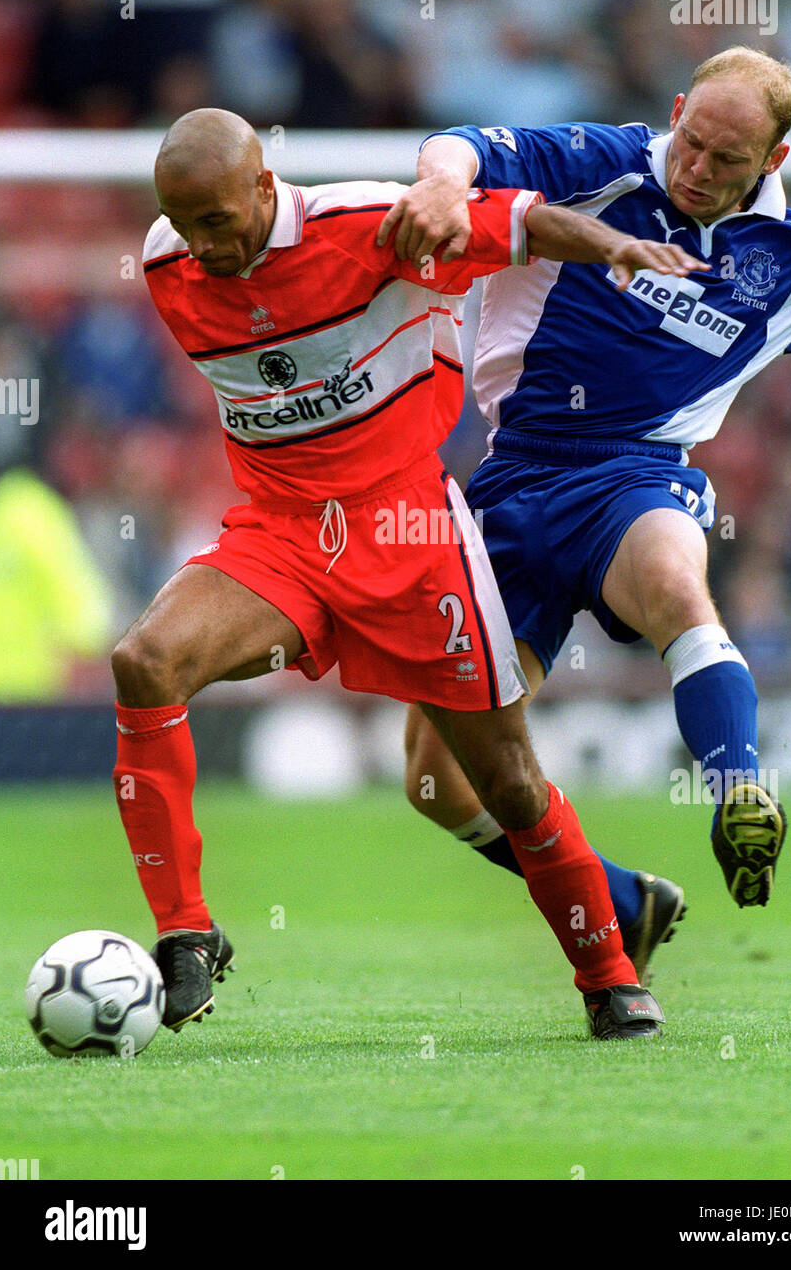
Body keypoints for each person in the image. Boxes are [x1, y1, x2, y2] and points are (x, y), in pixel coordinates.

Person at [114, 108, 706, 1041]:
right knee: (144, 662)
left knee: (502, 784)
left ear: (266, 189)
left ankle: (609, 972)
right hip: (284, 539)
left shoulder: (376, 225)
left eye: (217, 221)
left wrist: (616, 250)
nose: (201, 244)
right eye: (184, 223)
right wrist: (192, 240)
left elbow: (521, 220)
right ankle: (186, 933)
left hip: (413, 536)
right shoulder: (164, 261)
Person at [379, 46, 791, 918]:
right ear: (676, 110)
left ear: (773, 162)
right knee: (437, 781)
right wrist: (445, 186)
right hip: (512, 478)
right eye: (690, 141)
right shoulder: (599, 165)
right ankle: (620, 903)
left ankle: (738, 792)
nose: (696, 169)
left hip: (635, 473)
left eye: (726, 161)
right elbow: (461, 144)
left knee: (676, 585)